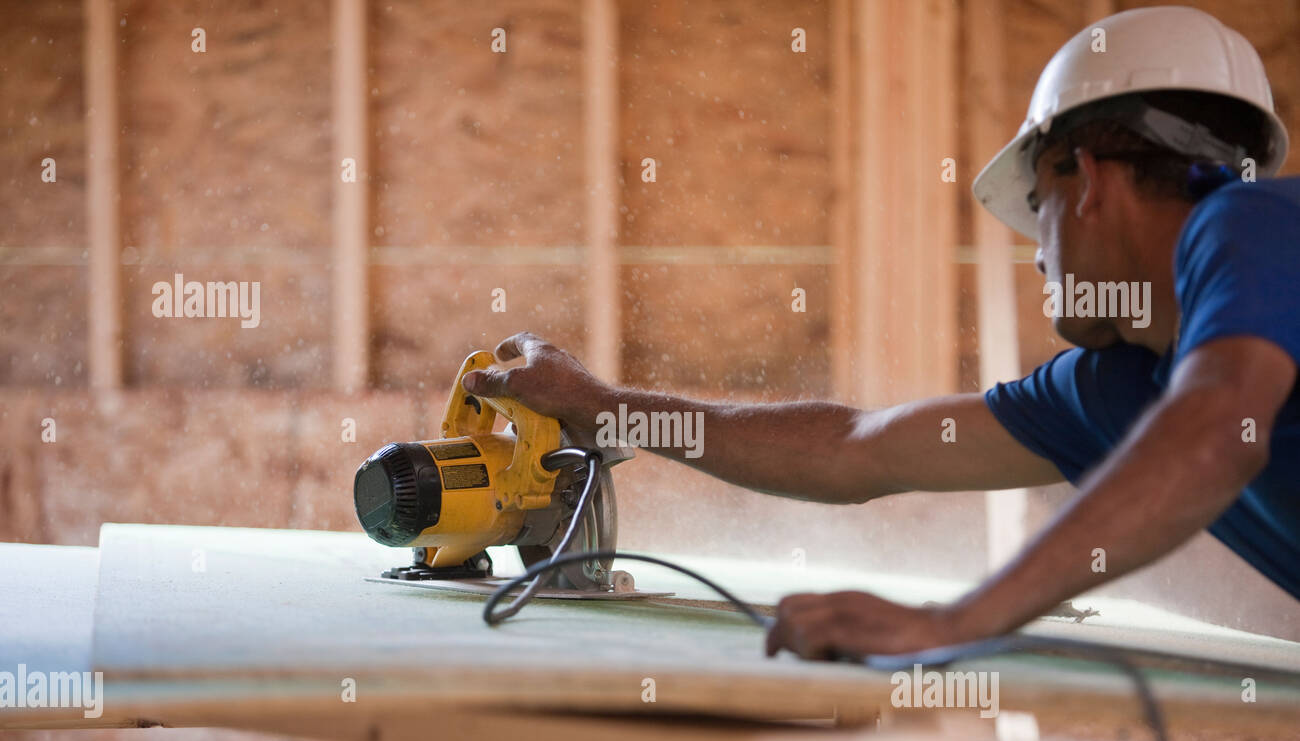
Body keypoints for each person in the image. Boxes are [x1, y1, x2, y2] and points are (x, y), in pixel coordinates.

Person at [463, 6, 1298, 660]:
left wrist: (953, 624)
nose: (1037, 258)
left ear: (1082, 180)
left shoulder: (1253, 221)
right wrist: (603, 408)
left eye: (1035, 212)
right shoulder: (1122, 389)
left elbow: (1215, 434)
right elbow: (855, 448)